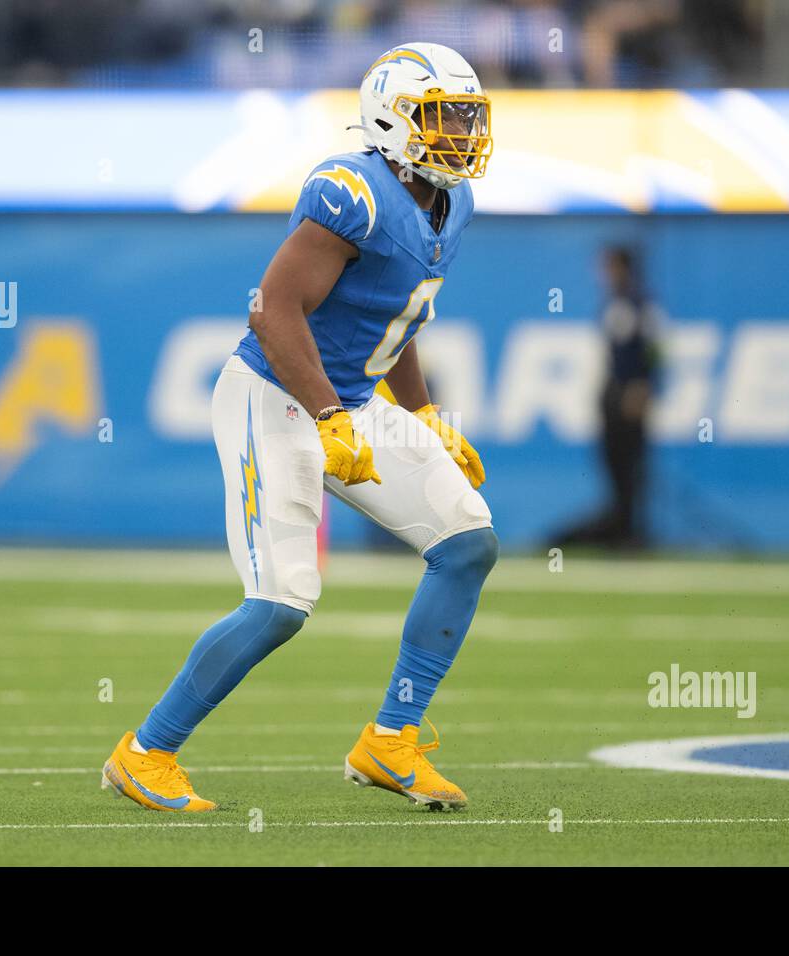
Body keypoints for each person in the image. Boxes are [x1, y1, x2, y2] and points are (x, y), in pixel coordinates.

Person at [103, 42, 498, 812]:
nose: (459, 133)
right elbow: (273, 309)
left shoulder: (451, 202)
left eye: (466, 117)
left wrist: (419, 415)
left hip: (352, 402)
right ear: (392, 119)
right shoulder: (352, 190)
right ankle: (145, 752)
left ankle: (391, 741)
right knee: (282, 602)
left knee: (466, 541)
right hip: (276, 395)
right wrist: (326, 415)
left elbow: (399, 316)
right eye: (442, 116)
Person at [556, 246, 660, 550]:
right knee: (614, 462)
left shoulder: (640, 303)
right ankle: (619, 527)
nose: (603, 274)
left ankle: (628, 530)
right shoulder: (615, 303)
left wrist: (643, 384)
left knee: (630, 464)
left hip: (630, 392)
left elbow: (655, 348)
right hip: (613, 392)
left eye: (609, 267)